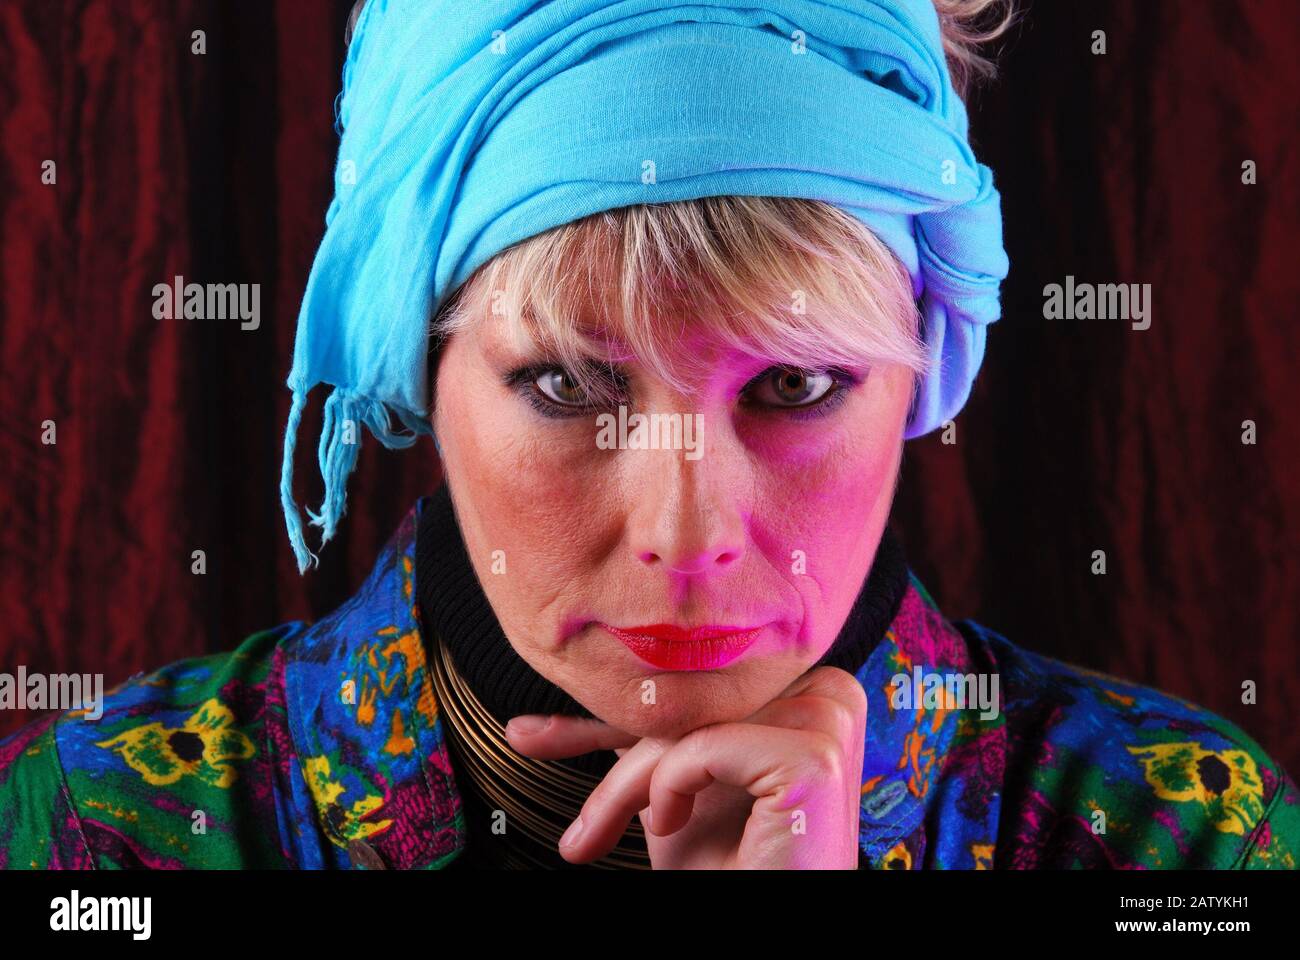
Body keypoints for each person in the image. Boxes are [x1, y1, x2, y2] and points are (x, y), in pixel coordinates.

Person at [2, 0, 1297, 870]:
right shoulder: (102, 831)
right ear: (421, 366)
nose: (685, 537)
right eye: (568, 385)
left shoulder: (1185, 845)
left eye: (793, 388)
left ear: (923, 372)